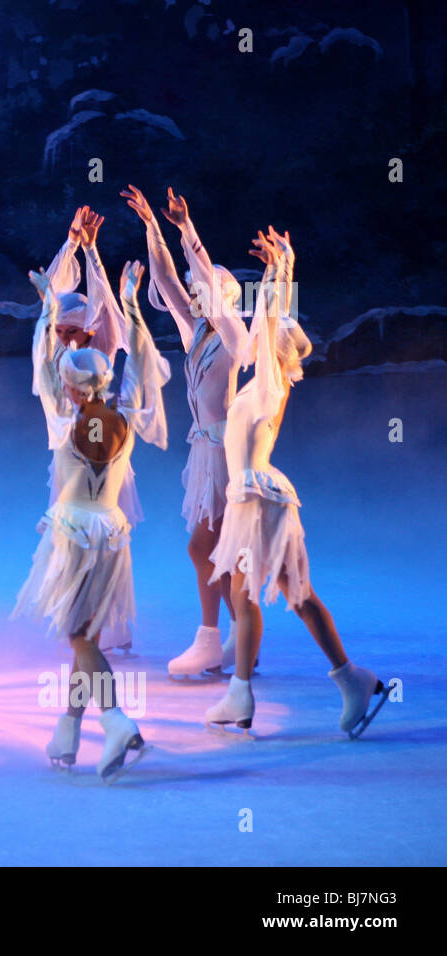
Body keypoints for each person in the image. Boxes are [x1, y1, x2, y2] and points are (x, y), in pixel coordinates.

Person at [204, 228, 390, 738]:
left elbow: (267, 322)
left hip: (256, 498)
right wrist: (278, 268)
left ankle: (241, 695)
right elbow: (267, 325)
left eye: (265, 338)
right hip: (262, 497)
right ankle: (352, 678)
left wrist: (280, 269)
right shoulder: (268, 385)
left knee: (246, 598)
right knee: (296, 594)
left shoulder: (268, 385)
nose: (256, 338)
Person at [13, 260, 168, 781]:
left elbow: (42, 365)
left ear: (73, 388)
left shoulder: (65, 421)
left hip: (77, 534)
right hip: (112, 531)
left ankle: (117, 720)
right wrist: (131, 308)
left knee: (80, 637)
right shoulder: (124, 414)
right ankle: (69, 727)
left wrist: (45, 312)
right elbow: (142, 362)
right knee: (90, 639)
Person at [122, 185, 248, 678]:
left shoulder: (234, 335)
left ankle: (219, 638)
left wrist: (186, 229)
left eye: (204, 293)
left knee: (209, 547)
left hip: (225, 449)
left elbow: (204, 287)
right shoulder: (194, 332)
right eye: (195, 295)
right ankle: (236, 638)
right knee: (218, 549)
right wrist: (154, 228)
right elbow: (168, 280)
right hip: (203, 450)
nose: (194, 298)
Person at [34, 205, 152, 654]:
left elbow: (113, 319)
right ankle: (76, 613)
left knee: (112, 537)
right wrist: (71, 246)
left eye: (72, 331)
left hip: (108, 465)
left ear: (86, 332)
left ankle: (111, 623)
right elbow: (42, 337)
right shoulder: (53, 365)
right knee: (70, 542)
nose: (65, 338)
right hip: (68, 466)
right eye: (60, 331)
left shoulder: (97, 358)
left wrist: (94, 256)